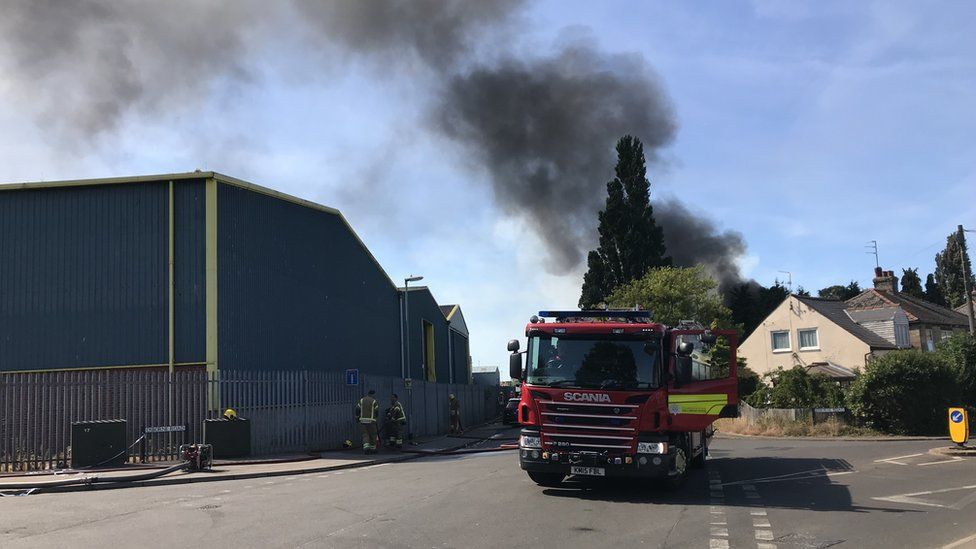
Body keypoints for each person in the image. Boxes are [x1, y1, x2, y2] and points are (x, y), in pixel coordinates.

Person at [355, 389, 379, 454]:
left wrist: (357, 417)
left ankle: (366, 448)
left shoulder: (362, 400)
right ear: (372, 394)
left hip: (362, 421)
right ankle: (373, 449)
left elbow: (357, 408)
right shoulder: (374, 401)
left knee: (365, 435)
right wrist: (376, 417)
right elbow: (376, 410)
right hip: (371, 421)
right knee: (373, 435)